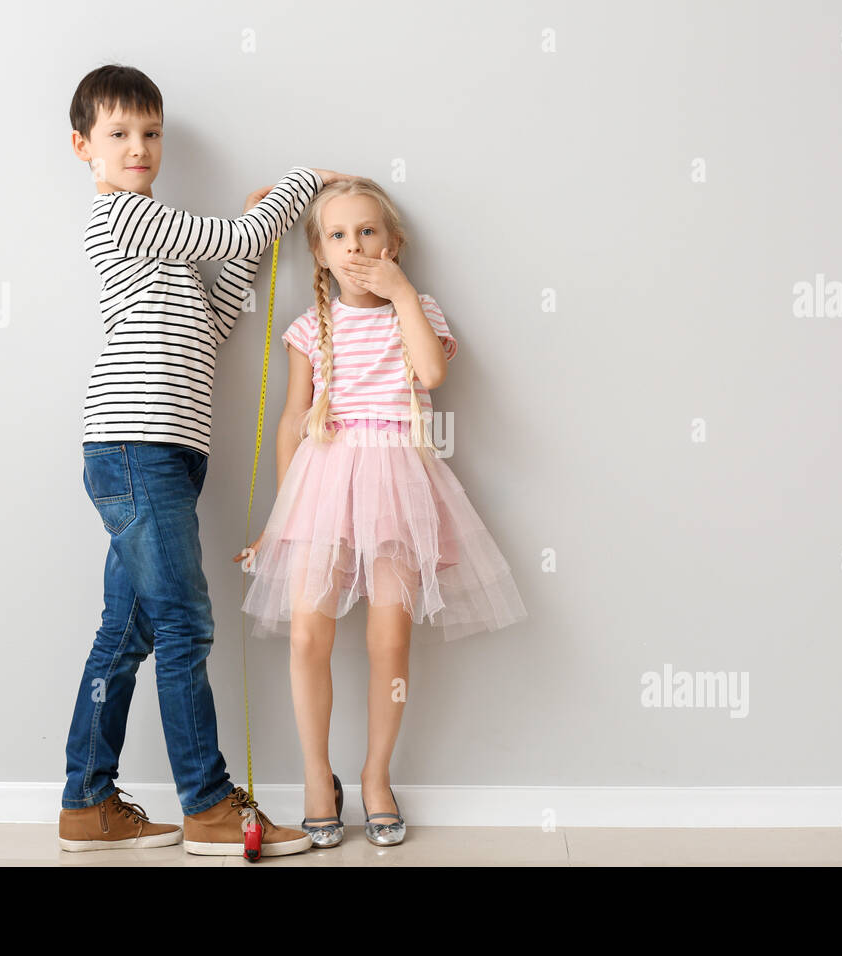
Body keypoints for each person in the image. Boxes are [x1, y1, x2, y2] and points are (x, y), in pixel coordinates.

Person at [57, 62, 352, 856]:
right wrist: (297, 186)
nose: (139, 147)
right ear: (83, 145)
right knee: (186, 624)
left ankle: (86, 804)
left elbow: (219, 316)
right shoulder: (123, 218)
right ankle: (209, 806)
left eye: (150, 133)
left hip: (169, 452)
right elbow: (235, 236)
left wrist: (252, 242)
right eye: (118, 134)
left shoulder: (163, 244)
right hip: (132, 445)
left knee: (128, 632)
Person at [232, 177, 528, 848]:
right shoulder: (311, 328)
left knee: (389, 640)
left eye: (368, 232)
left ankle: (375, 776)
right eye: (337, 235)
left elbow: (430, 376)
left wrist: (400, 294)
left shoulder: (415, 308)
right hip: (323, 485)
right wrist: (283, 522)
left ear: (392, 244)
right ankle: (315, 777)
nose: (355, 245)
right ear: (319, 254)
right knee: (310, 636)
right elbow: (290, 425)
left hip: (395, 486)